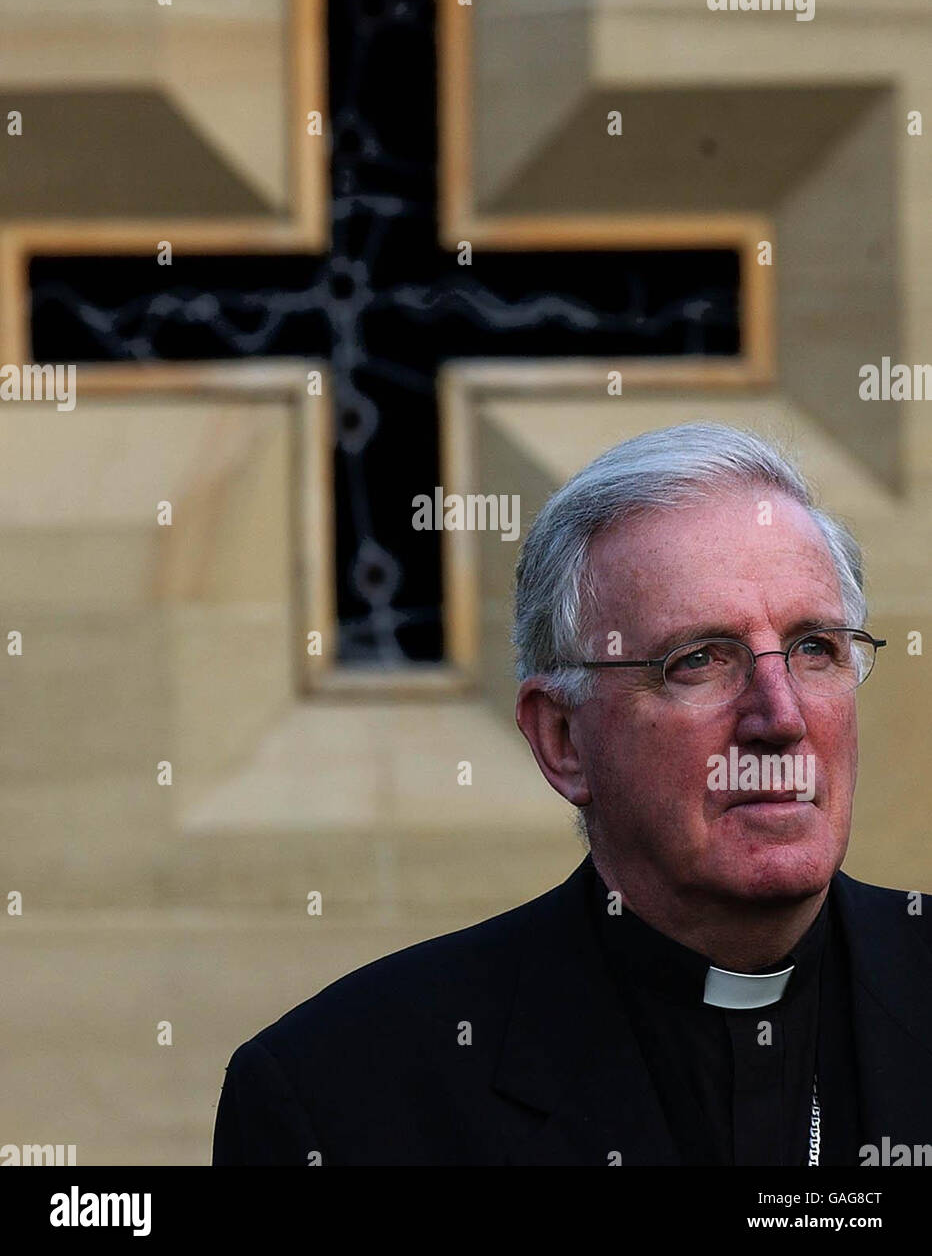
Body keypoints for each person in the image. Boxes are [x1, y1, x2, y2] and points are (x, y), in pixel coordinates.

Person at [212, 421, 931, 1166]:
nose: (780, 718)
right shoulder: (340, 1100)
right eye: (699, 661)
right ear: (561, 739)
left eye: (817, 649)